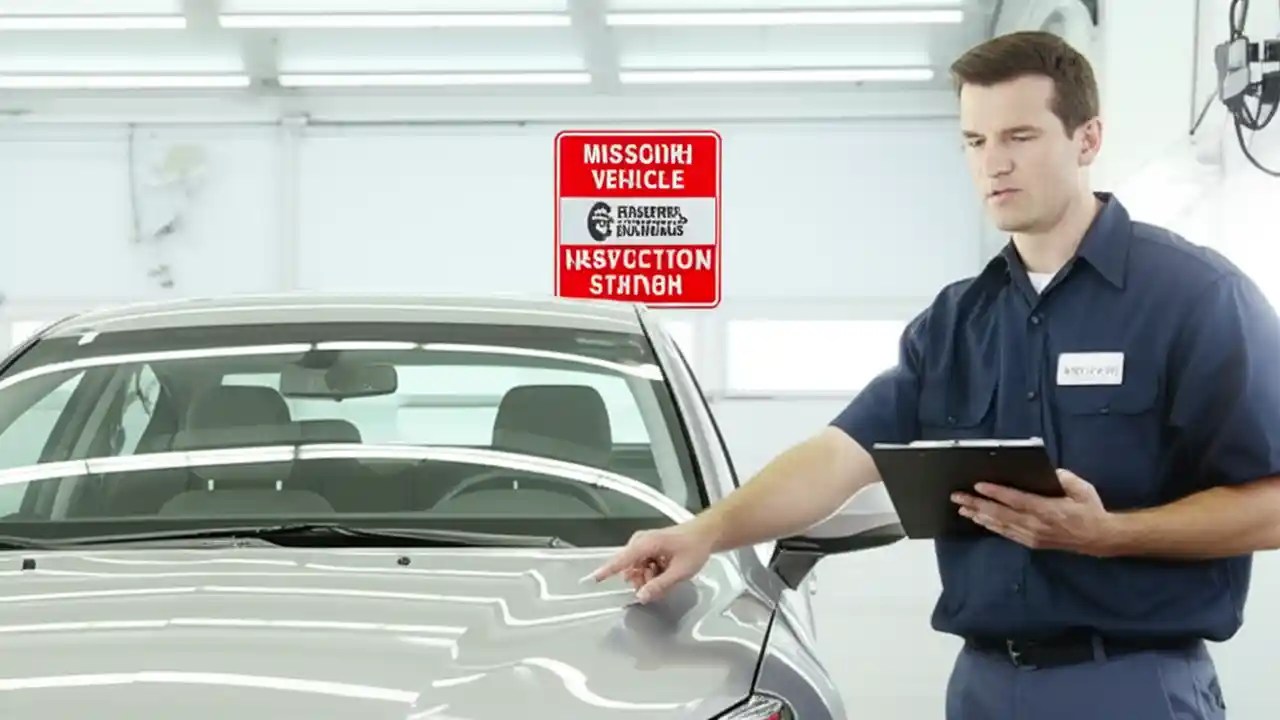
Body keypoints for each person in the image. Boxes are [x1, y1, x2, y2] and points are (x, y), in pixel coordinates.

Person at [591, 30, 1280, 720]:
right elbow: (837, 456)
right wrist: (704, 534)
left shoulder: (1196, 298)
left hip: (1128, 683)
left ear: (1087, 139)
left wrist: (1109, 534)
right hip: (982, 685)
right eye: (975, 143)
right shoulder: (957, 321)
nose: (994, 165)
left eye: (1020, 136)